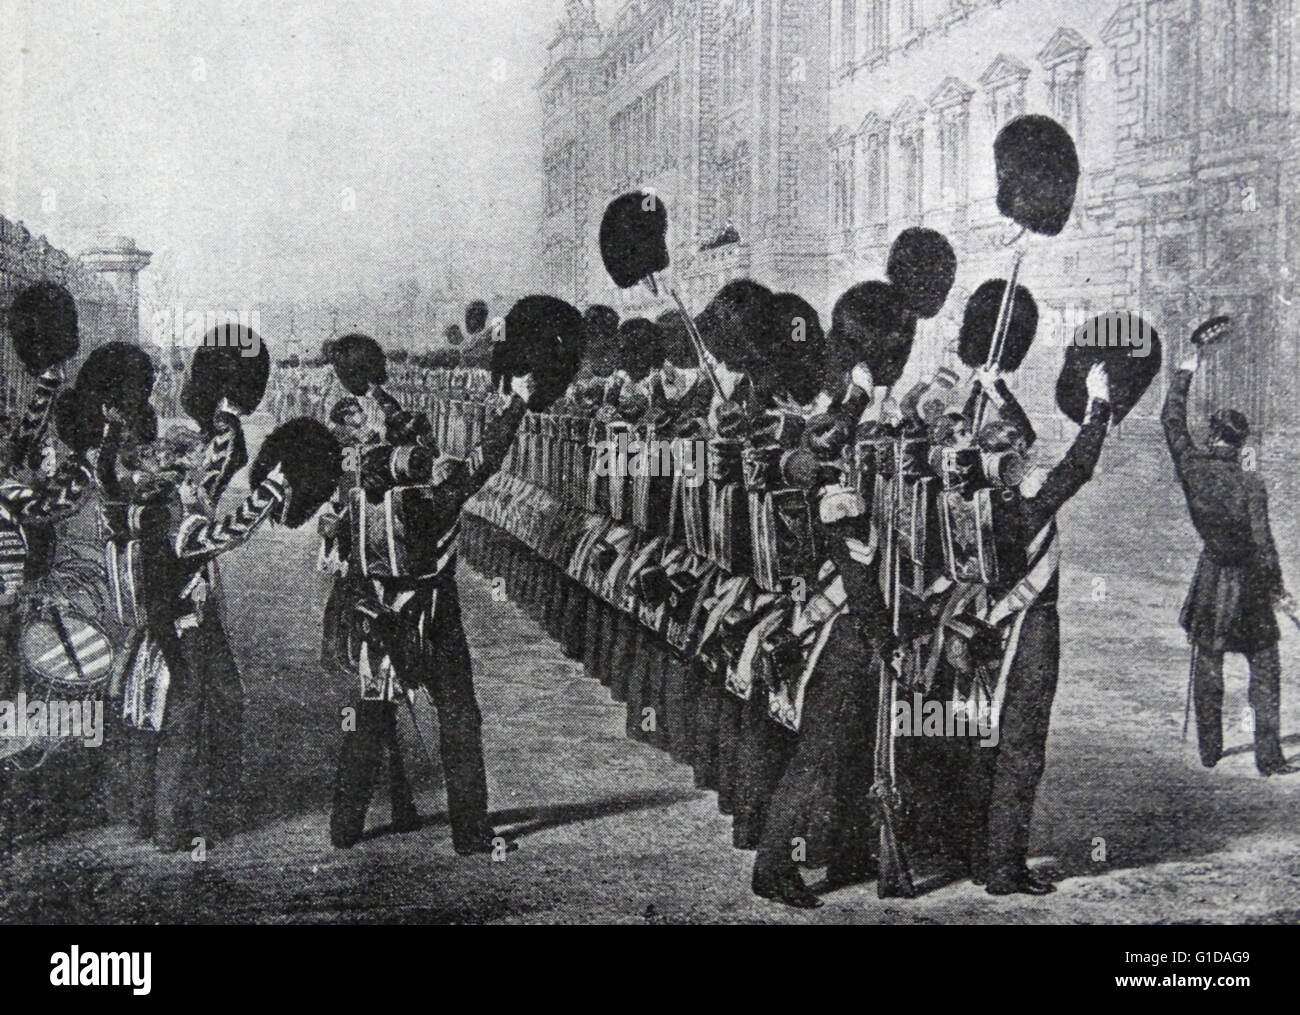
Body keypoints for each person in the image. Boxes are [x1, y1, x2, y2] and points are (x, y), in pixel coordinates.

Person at [326, 370, 535, 852]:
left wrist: (376, 391)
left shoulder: (355, 495)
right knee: (459, 715)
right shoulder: (437, 495)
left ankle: (345, 826)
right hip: (432, 612)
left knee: (370, 716)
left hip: (375, 609)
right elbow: (486, 456)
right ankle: (470, 832)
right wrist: (517, 402)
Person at [1162, 340, 1293, 776]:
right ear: (1240, 443)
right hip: (1250, 581)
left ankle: (1209, 749)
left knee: (1208, 663)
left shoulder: (1192, 464)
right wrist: (1278, 588)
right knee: (1265, 667)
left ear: (1214, 434)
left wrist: (1186, 368)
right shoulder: (1250, 483)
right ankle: (1269, 756)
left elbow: (1171, 419)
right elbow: (1263, 541)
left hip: (1212, 577)